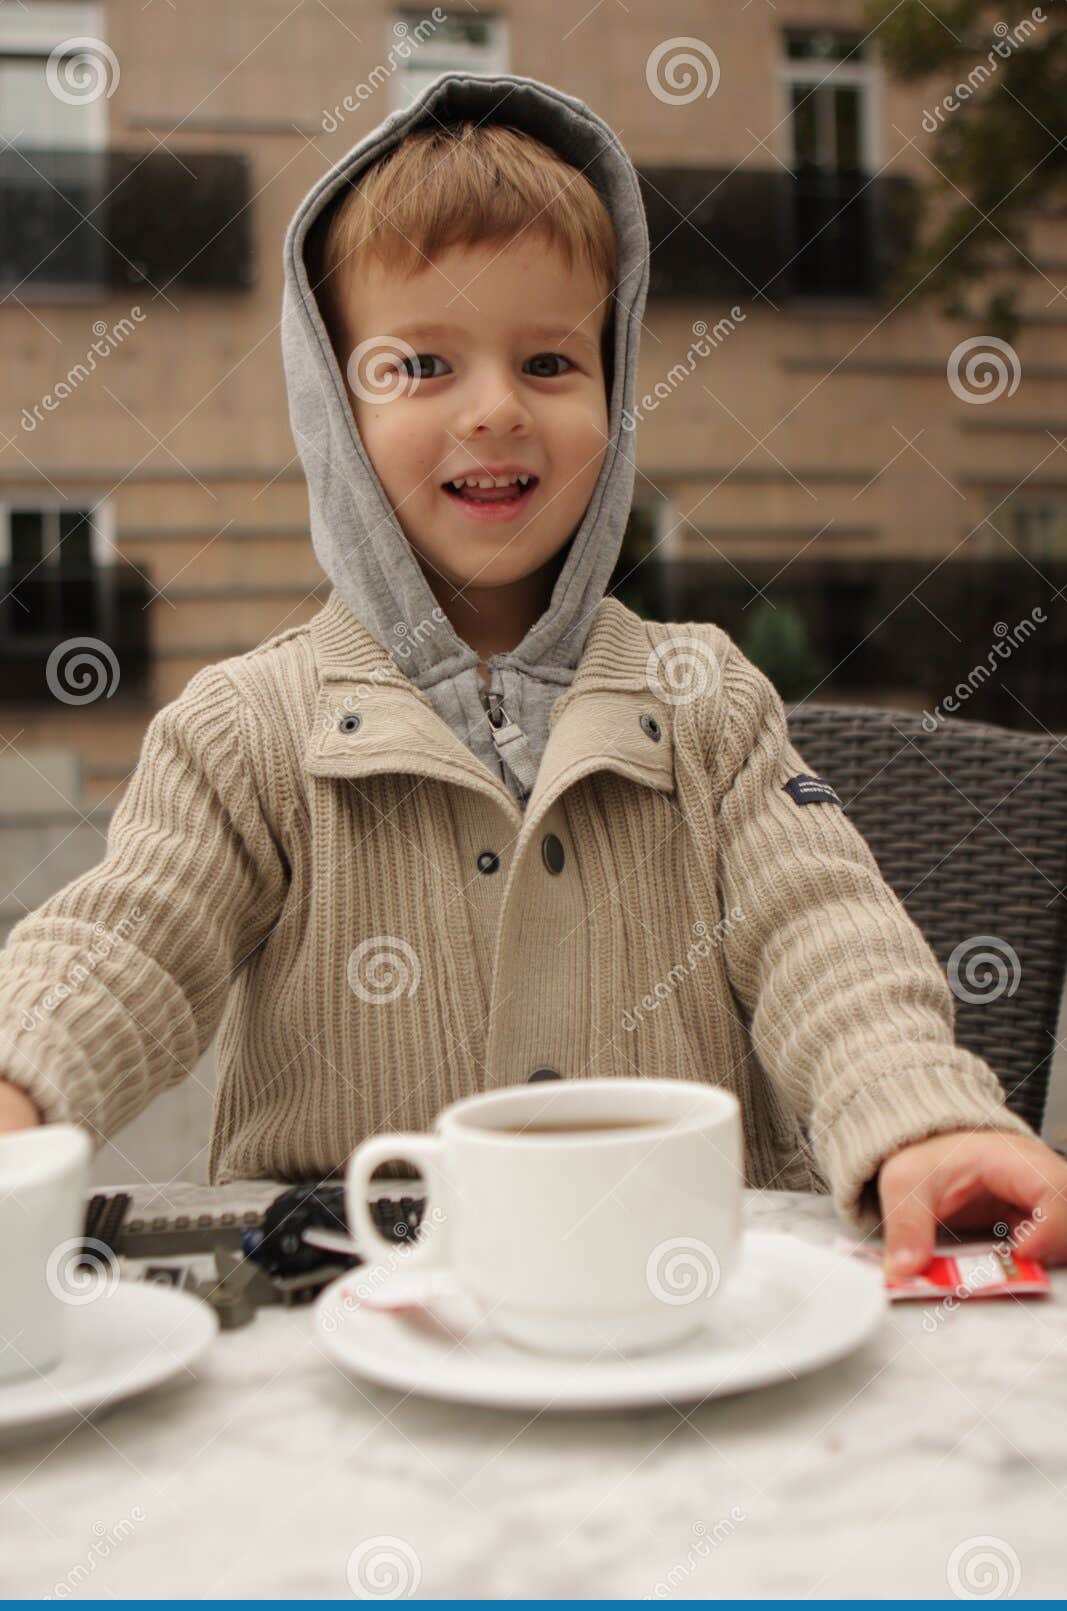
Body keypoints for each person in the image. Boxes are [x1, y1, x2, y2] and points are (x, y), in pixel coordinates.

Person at [0, 72, 1063, 1278]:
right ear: (332, 412)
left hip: (680, 1299)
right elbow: (129, 942)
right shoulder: (243, 729)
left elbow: (822, 932)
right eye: (422, 365)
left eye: (550, 362)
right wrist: (18, 1077)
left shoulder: (703, 699)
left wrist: (925, 1114)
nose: (495, 409)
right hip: (347, 1311)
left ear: (612, 391)